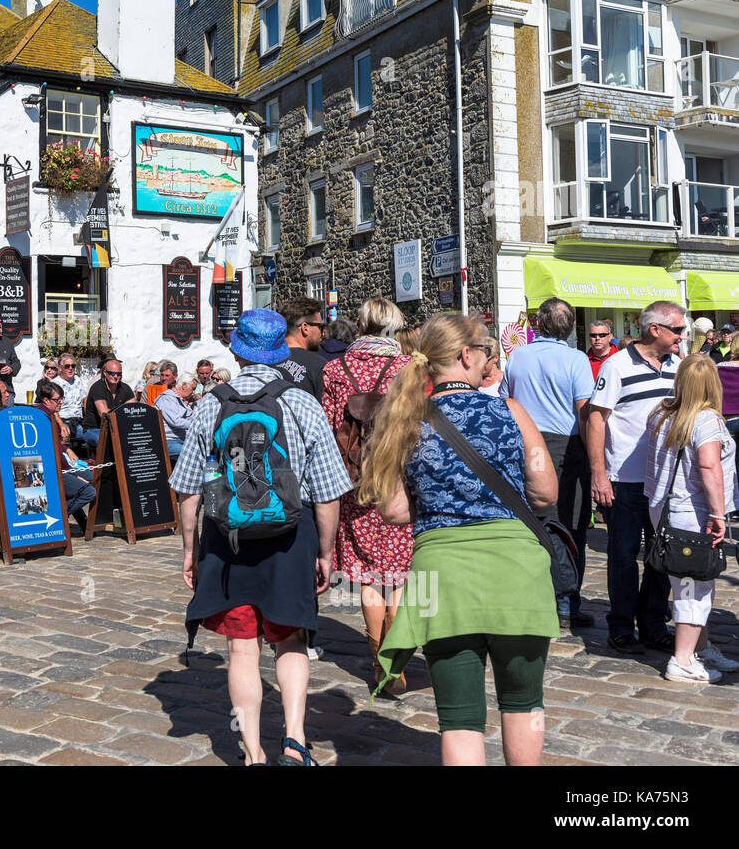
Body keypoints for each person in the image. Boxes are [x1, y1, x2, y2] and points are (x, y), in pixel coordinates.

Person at [362, 313, 558, 766]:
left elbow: (393, 511)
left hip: (442, 574)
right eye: (487, 352)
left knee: (459, 716)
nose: (488, 360)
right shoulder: (510, 411)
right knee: (524, 701)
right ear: (466, 356)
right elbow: (545, 493)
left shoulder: (403, 421)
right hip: (516, 570)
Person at [171, 309, 349, 766]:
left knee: (241, 647)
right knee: (291, 640)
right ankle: (294, 740)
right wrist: (326, 552)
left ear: (237, 349)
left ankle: (252, 753)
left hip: (227, 538)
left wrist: (190, 550)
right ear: (279, 351)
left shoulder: (212, 402)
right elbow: (328, 489)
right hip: (290, 536)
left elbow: (188, 486)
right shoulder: (300, 401)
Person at [320, 297, 413, 692]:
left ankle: (378, 658)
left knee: (368, 576)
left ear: (361, 325)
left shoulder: (334, 369)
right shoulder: (408, 368)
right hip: (398, 478)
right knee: (400, 572)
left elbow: (328, 427)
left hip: (354, 479)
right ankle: (396, 654)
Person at [587, 300, 683, 655]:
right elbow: (596, 419)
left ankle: (654, 624)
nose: (682, 336)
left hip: (666, 480)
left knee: (662, 556)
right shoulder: (617, 366)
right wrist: (599, 473)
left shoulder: (679, 366)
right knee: (624, 557)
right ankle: (622, 626)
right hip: (625, 479)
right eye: (677, 329)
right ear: (655, 329)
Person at [645, 354, 739, 683]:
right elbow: (709, 466)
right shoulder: (705, 420)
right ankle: (682, 659)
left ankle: (701, 646)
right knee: (692, 589)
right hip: (692, 512)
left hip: (666, 508)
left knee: (698, 581)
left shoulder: (662, 412)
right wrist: (717, 514)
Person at [501, 299, 594, 628]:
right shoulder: (576, 358)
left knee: (534, 525)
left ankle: (536, 598)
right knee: (570, 526)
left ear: (538, 324)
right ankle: (566, 603)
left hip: (525, 443)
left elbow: (505, 401)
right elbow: (584, 411)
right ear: (569, 328)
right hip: (564, 447)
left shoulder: (517, 357)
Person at [35, 380, 96, 524]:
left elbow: (57, 445)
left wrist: (67, 449)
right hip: (51, 471)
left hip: (61, 466)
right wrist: (73, 474)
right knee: (88, 492)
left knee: (93, 477)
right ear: (46, 400)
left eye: (62, 399)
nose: (61, 403)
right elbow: (53, 452)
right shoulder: (42, 418)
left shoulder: (51, 415)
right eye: (57, 400)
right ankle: (57, 518)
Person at [276, 296, 327, 401]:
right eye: (320, 327)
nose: (323, 333)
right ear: (305, 328)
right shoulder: (318, 365)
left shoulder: (266, 361)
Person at [83, 358, 132, 449]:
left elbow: (133, 409)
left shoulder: (125, 388)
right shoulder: (97, 388)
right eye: (112, 373)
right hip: (94, 429)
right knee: (109, 441)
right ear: (105, 373)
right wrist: (125, 413)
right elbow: (104, 415)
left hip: (116, 428)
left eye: (119, 374)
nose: (116, 376)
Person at [156, 371, 197, 459]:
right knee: (191, 453)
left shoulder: (180, 399)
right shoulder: (167, 398)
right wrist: (195, 424)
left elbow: (190, 417)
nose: (194, 392)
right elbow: (175, 421)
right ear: (184, 385)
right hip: (168, 440)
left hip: (180, 439)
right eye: (193, 388)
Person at [53, 354, 89, 439]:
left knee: (99, 437)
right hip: (63, 421)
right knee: (64, 440)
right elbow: (53, 409)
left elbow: (85, 399)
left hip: (79, 423)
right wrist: (61, 425)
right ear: (60, 368)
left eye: (73, 366)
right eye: (67, 366)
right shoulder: (54, 384)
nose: (70, 368)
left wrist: (88, 419)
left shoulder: (78, 380)